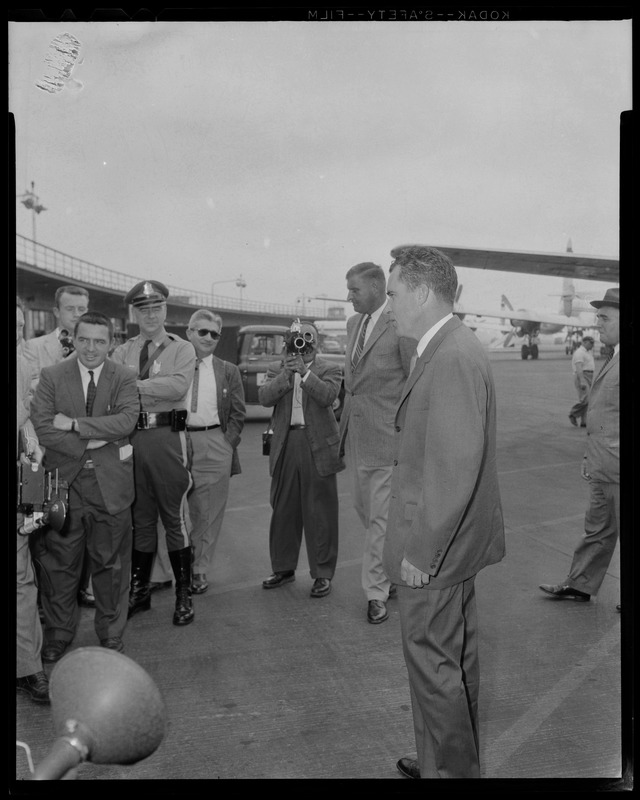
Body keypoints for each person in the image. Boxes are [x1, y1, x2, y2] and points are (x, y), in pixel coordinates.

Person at [382, 245, 505, 779]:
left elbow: (454, 467)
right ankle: (441, 760)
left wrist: (421, 552)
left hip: (435, 547)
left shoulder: (450, 356)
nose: (388, 307)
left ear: (422, 293)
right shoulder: (449, 345)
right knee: (452, 663)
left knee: (433, 666)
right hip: (457, 544)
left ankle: (453, 773)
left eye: (393, 294)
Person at [30, 311, 139, 661]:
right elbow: (43, 426)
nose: (91, 348)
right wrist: (90, 441)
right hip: (64, 485)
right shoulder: (52, 375)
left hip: (111, 486)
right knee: (60, 565)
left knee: (111, 565)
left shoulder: (124, 377)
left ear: (111, 343)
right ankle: (59, 634)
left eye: (99, 341)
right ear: (73, 340)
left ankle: (111, 632)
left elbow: (126, 420)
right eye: (84, 340)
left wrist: (76, 425)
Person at [111, 280, 197, 625]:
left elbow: (177, 386)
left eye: (156, 309)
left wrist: (134, 386)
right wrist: (145, 389)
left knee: (174, 518)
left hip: (166, 439)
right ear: (135, 313)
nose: (150, 316)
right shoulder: (123, 351)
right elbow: (113, 390)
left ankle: (183, 594)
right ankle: (140, 591)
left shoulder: (182, 348)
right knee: (141, 519)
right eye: (143, 310)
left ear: (165, 311)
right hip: (132, 438)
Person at [339, 262, 414, 624]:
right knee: (366, 513)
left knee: (380, 523)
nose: (348, 297)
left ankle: (375, 592)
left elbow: (414, 381)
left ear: (374, 288)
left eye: (354, 290)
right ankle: (391, 568)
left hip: (387, 440)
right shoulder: (354, 324)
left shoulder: (400, 324)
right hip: (357, 438)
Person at [540, 288, 620, 606]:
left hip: (618, 466)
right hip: (602, 465)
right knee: (597, 530)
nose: (597, 323)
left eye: (605, 318)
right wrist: (588, 455)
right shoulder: (612, 356)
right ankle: (580, 583)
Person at [259, 320, 344, 598]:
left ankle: (322, 573)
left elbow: (328, 396)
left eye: (309, 336)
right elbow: (264, 398)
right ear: (288, 341)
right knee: (283, 509)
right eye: (299, 337)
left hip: (317, 444)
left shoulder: (330, 369)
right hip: (286, 443)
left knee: (321, 513)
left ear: (317, 342)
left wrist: (305, 373)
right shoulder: (277, 368)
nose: (304, 341)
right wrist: (288, 372)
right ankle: (283, 568)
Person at [23, 284, 95, 609]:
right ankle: (47, 598)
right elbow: (28, 394)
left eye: (83, 309)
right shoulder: (32, 348)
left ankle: (82, 587)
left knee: (84, 521)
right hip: (46, 451)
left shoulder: (97, 349)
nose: (77, 315)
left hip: (84, 449)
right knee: (46, 525)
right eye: (71, 309)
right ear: (56, 312)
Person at [185, 309, 246, 594]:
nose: (208, 337)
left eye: (215, 334)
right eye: (202, 331)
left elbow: (238, 412)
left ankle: (199, 569)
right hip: (177, 441)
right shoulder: (174, 365)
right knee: (169, 510)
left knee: (208, 513)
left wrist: (226, 442)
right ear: (189, 333)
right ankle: (163, 572)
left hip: (214, 443)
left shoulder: (228, 370)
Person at [16, 297, 49, 703]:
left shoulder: (23, 363)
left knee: (21, 580)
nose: (17, 333)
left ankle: (28, 667)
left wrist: (31, 445)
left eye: (21, 325)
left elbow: (24, 418)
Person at [568, 335, 595, 427]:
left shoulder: (588, 352)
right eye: (591, 343)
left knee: (587, 400)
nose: (592, 345)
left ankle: (584, 422)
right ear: (584, 342)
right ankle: (573, 413)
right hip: (582, 375)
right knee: (586, 399)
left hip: (589, 376)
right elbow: (578, 367)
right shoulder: (579, 353)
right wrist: (582, 380)